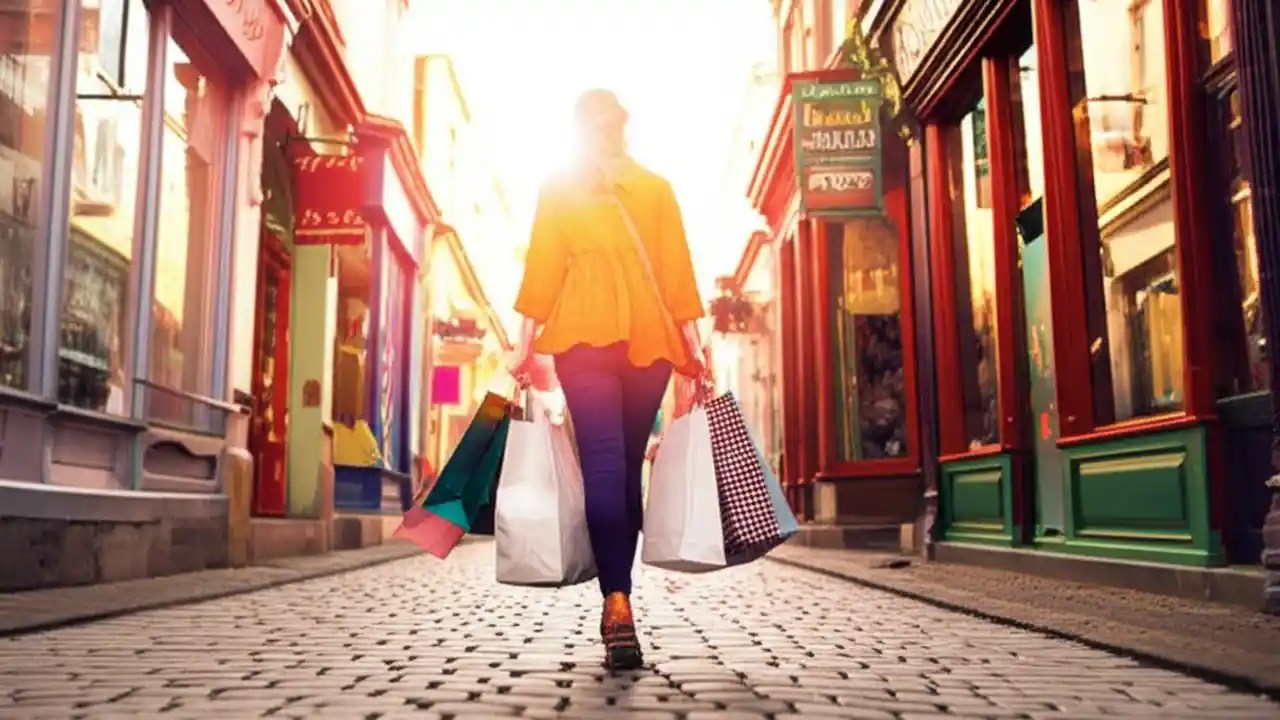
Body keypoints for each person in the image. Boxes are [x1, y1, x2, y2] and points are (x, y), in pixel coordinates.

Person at [508, 88, 707, 671]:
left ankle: (615, 602)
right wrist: (695, 347)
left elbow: (540, 272)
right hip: (651, 344)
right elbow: (678, 276)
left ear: (578, 130)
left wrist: (523, 345)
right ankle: (621, 597)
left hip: (582, 338)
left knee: (601, 461)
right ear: (623, 129)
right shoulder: (656, 189)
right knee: (622, 473)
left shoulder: (560, 189)